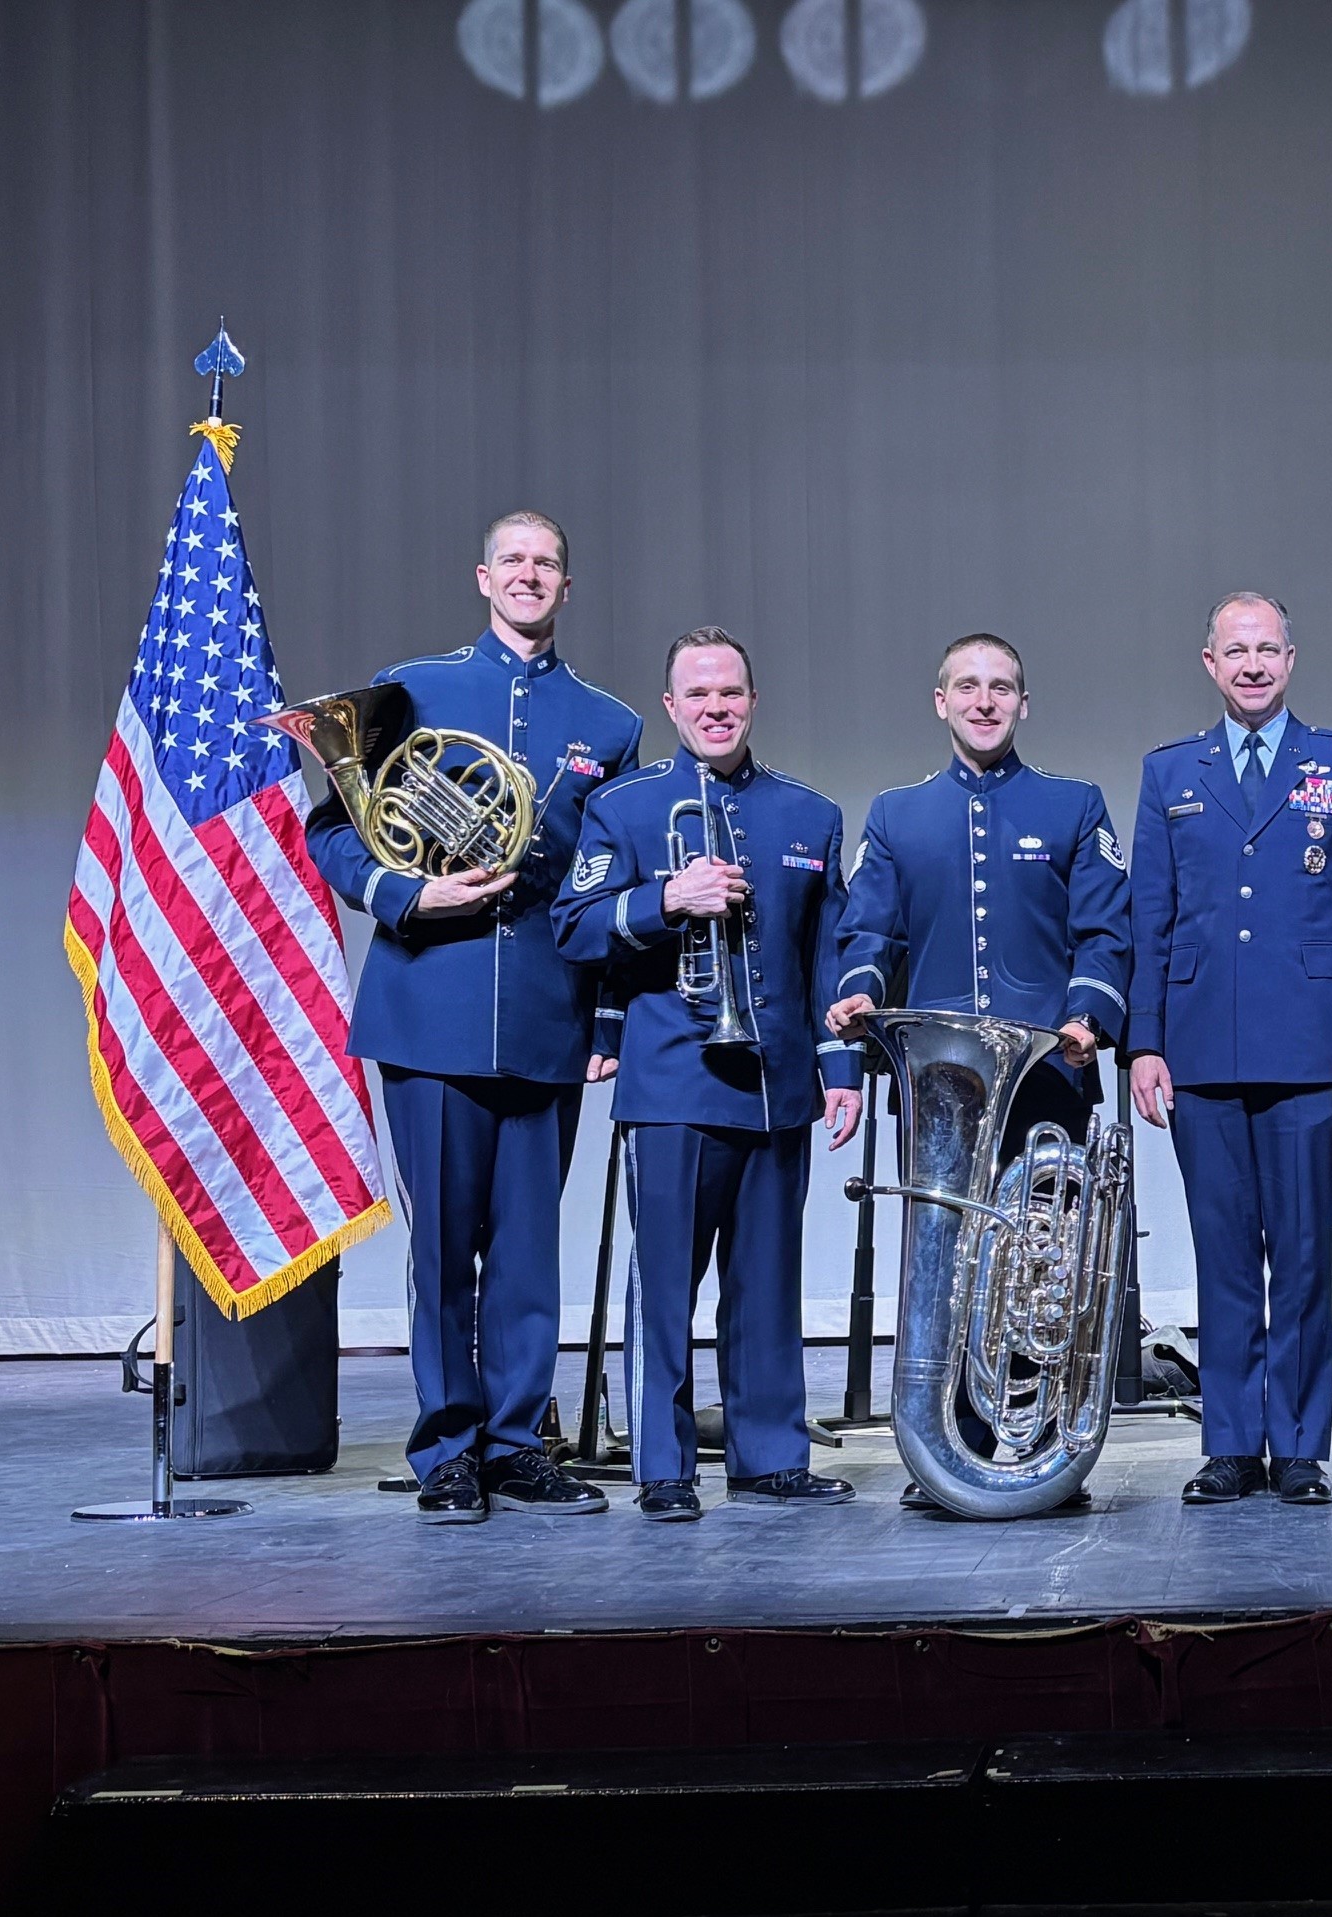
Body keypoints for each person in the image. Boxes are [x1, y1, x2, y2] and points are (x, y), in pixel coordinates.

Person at [306, 510, 641, 1524]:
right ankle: (447, 1451)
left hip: (548, 1011)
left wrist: (609, 1023)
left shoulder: (610, 723)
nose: (530, 575)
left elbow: (613, 877)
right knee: (444, 1251)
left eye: (548, 563)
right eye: (514, 561)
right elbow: (335, 829)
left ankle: (518, 1446)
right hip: (429, 1006)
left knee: (529, 1254)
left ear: (566, 587)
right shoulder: (414, 688)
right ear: (483, 578)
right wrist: (410, 895)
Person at [553, 628, 864, 1522]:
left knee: (767, 1285)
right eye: (698, 694)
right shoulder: (624, 806)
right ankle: (664, 1467)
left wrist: (841, 1068)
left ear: (753, 702)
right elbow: (573, 926)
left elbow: (827, 956)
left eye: (730, 692)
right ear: (671, 706)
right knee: (663, 1288)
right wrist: (666, 900)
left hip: (778, 1084)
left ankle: (771, 1458)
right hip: (673, 1084)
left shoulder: (809, 814)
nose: (716, 708)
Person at [826, 631, 1132, 1507]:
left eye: (1001, 687)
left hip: (1048, 1074)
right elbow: (868, 933)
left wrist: (1087, 1018)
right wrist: (858, 994)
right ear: (941, 702)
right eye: (968, 686)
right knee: (946, 1269)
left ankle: (1035, 1447)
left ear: (1023, 703)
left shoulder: (1074, 805)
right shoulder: (897, 815)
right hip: (941, 1089)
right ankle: (944, 1453)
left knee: (1041, 1273)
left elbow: (1105, 931)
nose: (985, 701)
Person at [1126, 592, 1332, 1508]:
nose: (1252, 665)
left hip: (1313, 1051)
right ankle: (1233, 1445)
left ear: (1291, 659)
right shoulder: (1170, 771)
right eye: (1235, 651)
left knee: (1305, 1257)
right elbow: (1151, 918)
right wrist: (1144, 1042)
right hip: (1200, 1049)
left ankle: (1301, 1448)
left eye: (1267, 649)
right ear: (1209, 662)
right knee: (1224, 1256)